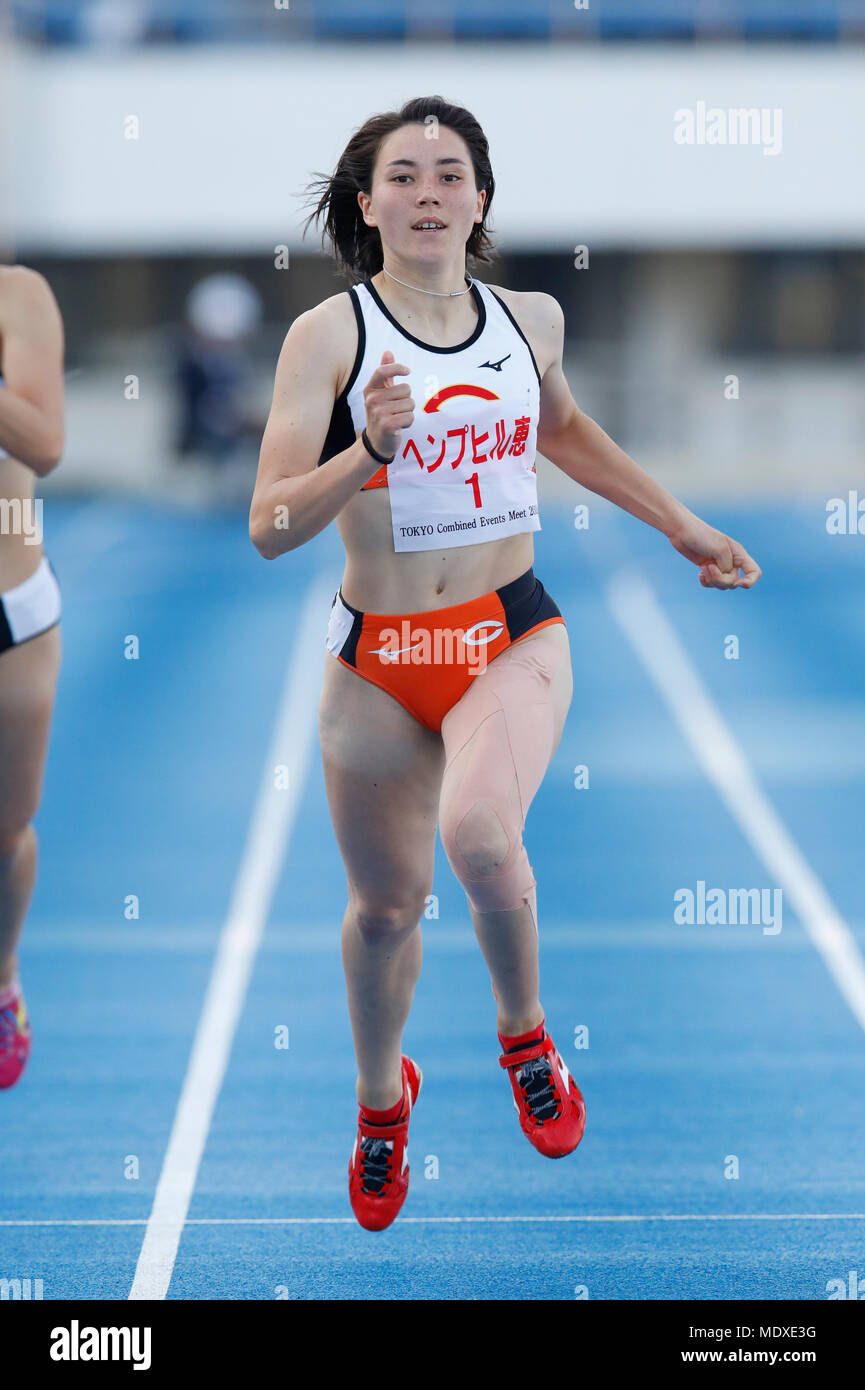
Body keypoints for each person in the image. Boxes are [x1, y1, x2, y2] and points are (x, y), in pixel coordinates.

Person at [249, 96, 761, 1232]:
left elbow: (563, 430)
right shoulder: (328, 339)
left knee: (480, 834)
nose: (427, 192)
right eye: (404, 175)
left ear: (480, 200)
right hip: (378, 657)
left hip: (506, 632)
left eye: (449, 174)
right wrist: (364, 453)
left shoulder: (528, 319)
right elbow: (269, 523)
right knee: (385, 909)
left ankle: (525, 1039)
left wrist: (678, 524)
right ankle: (382, 1105)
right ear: (368, 199)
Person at [0, 265, 64, 1089]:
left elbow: (45, 443)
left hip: (11, 612)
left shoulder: (18, 296)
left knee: (7, 830)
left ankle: (3, 974)